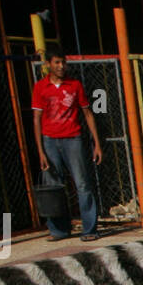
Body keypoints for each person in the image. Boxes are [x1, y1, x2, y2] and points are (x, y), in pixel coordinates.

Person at [31, 44, 103, 242]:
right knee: (53, 185)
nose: (61, 66)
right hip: (50, 141)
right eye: (57, 62)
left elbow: (87, 113)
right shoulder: (40, 88)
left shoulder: (75, 85)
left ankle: (89, 229)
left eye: (63, 62)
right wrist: (41, 151)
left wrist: (96, 143)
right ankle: (59, 230)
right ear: (49, 65)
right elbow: (36, 119)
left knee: (82, 183)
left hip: (73, 138)